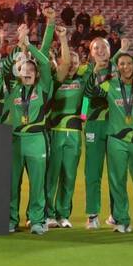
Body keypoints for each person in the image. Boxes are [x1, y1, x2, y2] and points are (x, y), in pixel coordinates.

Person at [78, 22, 133, 229]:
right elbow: (84, 96)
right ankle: (92, 215)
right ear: (91, 52)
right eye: (96, 48)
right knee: (93, 172)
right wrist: (83, 116)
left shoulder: (121, 65)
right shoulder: (85, 70)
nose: (100, 51)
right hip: (95, 125)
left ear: (110, 50)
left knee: (117, 173)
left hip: (116, 128)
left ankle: (115, 214)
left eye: (103, 47)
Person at [4, 20, 55, 234]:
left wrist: (29, 44)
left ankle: (36, 220)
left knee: (37, 183)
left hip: (36, 139)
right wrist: (20, 43)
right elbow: (10, 65)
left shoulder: (43, 88)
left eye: (31, 70)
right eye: (24, 69)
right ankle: (11, 219)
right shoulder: (13, 88)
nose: (27, 72)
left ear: (36, 74)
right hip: (15, 139)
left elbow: (44, 63)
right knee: (12, 183)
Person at [44, 24, 81, 228]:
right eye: (69, 62)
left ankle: (63, 214)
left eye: (76, 62)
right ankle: (48, 213)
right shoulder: (54, 81)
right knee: (52, 175)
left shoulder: (83, 81)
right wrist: (63, 39)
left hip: (74, 134)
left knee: (69, 175)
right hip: (55, 133)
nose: (72, 65)